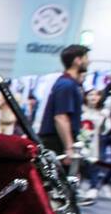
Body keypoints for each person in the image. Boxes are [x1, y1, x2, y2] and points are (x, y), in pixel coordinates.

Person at [38, 44, 89, 174]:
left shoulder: (70, 84)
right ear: (77, 60)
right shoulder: (66, 84)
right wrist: (69, 148)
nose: (89, 61)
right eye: (86, 57)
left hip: (59, 139)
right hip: (56, 141)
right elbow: (61, 117)